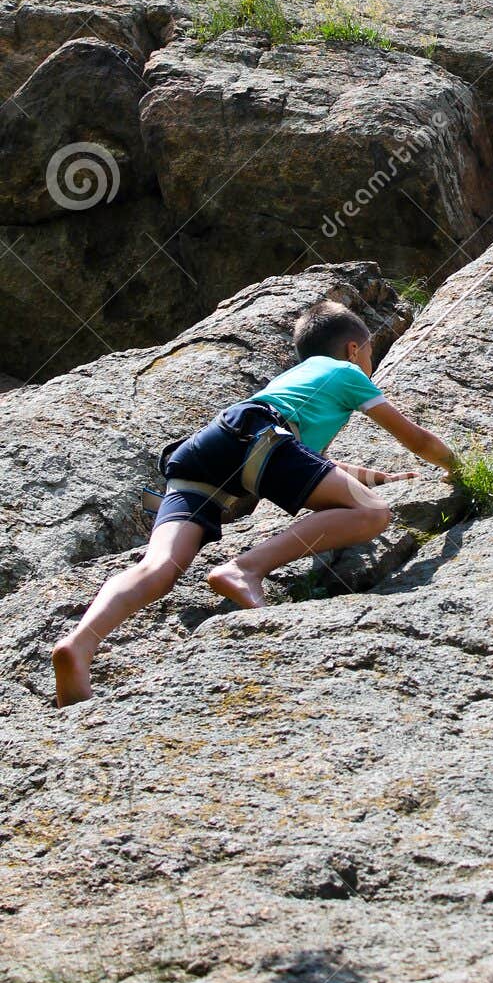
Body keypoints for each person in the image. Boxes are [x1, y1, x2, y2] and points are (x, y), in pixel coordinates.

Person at [52, 299, 456, 708]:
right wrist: (457, 466)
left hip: (208, 451)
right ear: (354, 349)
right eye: (369, 353)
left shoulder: (295, 382)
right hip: (259, 438)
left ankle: (79, 645)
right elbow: (416, 438)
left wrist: (376, 478)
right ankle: (245, 569)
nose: (369, 362)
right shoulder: (348, 373)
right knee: (372, 512)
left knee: (158, 568)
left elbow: (311, 463)